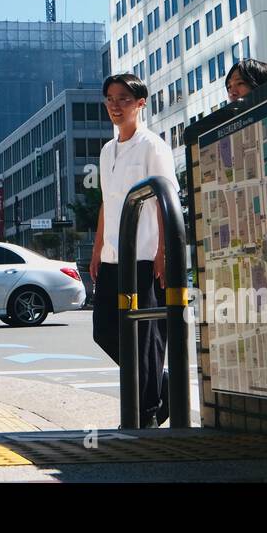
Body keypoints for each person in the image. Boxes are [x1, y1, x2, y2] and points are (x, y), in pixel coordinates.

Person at [90, 73, 179, 428]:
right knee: (106, 331)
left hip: (144, 256)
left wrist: (164, 252)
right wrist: (97, 248)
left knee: (145, 338)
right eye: (110, 98)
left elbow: (165, 197)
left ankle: (146, 413)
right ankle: (162, 386)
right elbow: (105, 203)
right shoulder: (107, 150)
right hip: (113, 257)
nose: (115, 105)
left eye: (124, 98)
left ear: (140, 103)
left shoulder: (151, 146)